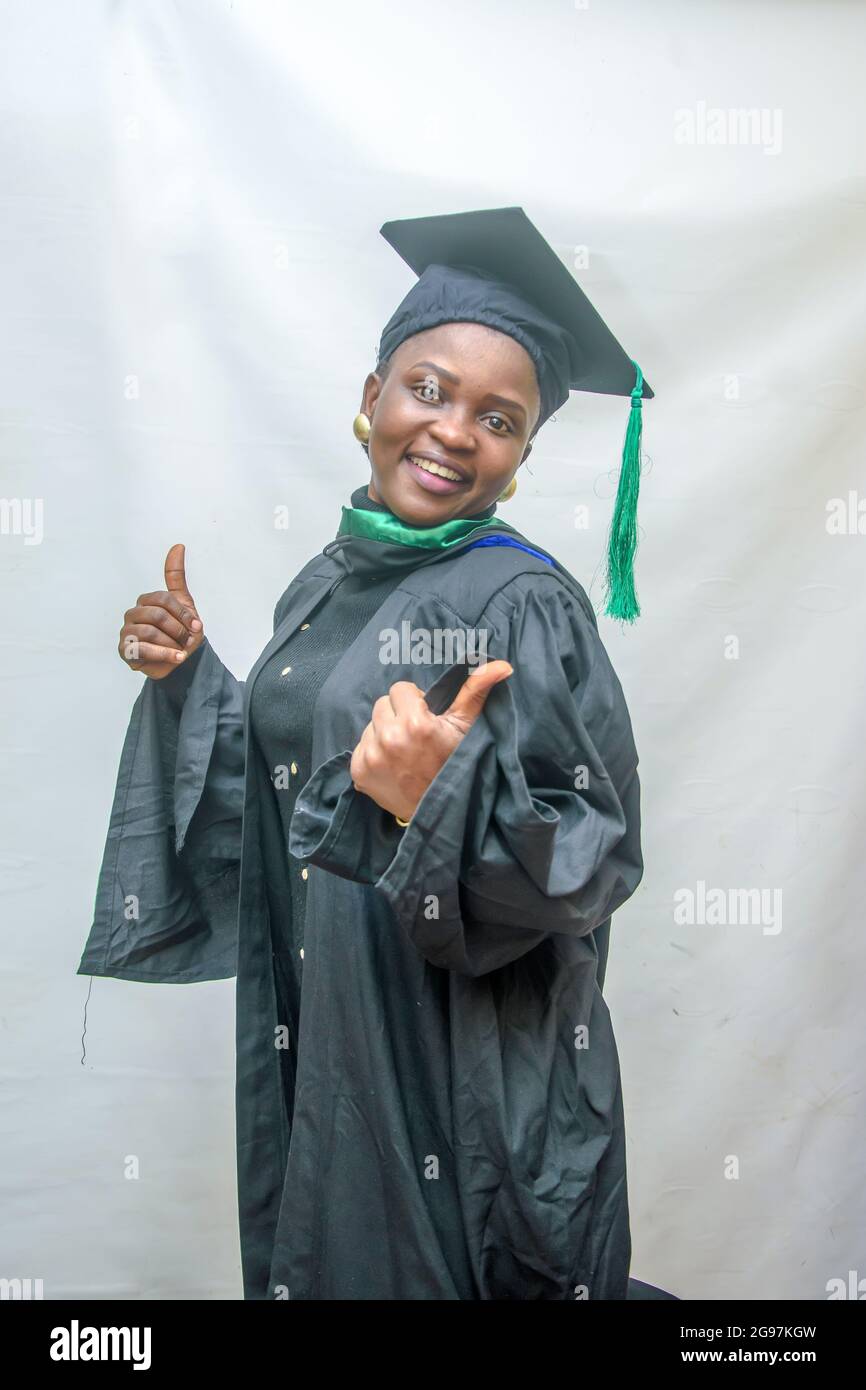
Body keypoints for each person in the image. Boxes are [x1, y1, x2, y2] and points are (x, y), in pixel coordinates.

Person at [78, 206, 663, 1300]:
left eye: (497, 417)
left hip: (456, 1057)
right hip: (327, 1013)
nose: (452, 431)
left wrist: (433, 801)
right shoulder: (331, 577)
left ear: (523, 455)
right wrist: (191, 683)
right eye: (428, 389)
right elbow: (298, 785)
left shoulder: (521, 599)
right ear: (369, 400)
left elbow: (592, 864)